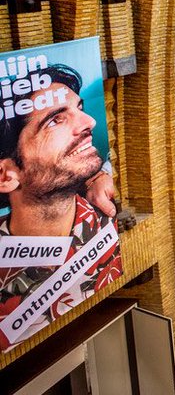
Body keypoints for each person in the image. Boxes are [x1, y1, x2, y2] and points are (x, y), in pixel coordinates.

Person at [0, 64, 123, 348]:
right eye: (55, 120)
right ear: (5, 176)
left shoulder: (104, 215)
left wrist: (100, 174)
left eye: (79, 108)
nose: (89, 122)